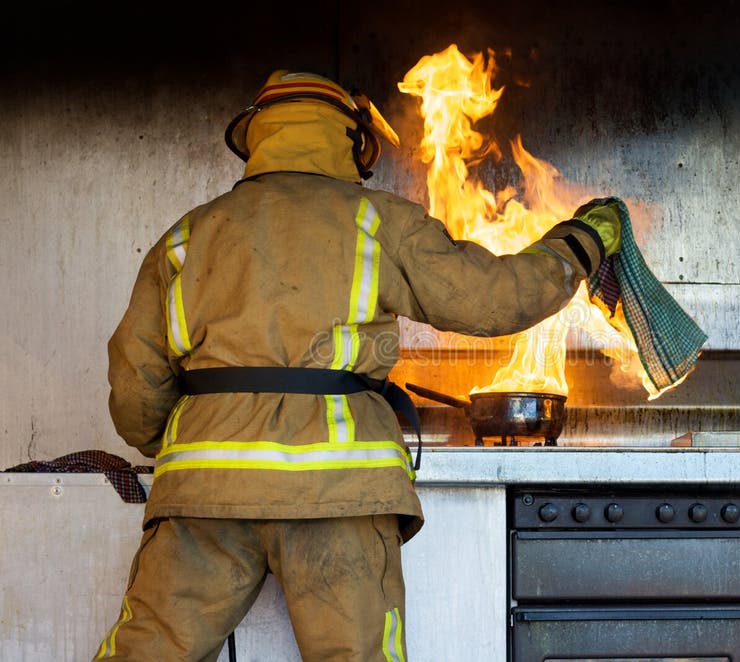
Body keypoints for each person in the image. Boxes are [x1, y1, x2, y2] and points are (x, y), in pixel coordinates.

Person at [94, 69, 621, 661]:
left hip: (201, 494)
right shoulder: (376, 221)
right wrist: (579, 242)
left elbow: (134, 387)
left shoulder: (186, 237)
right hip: (339, 490)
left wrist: (197, 439)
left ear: (258, 137)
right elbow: (494, 299)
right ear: (352, 141)